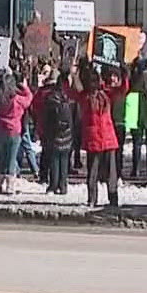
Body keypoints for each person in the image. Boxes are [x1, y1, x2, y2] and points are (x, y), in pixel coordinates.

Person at [75, 60, 121, 208]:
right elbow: (122, 89)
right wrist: (124, 74)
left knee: (93, 172)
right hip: (108, 138)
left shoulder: (85, 98)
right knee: (110, 173)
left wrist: (70, 74)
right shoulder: (105, 96)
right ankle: (112, 198)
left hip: (94, 139)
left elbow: (71, 91)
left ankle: (92, 198)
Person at [0, 68, 35, 195]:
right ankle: (10, 187)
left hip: (0, 130)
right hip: (14, 131)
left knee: (2, 158)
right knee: (11, 159)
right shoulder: (16, 99)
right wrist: (24, 86)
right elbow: (29, 98)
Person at [39, 73, 78, 195]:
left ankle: (53, 185)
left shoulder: (51, 98)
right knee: (65, 160)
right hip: (68, 134)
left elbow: (46, 117)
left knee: (55, 160)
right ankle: (63, 185)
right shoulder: (71, 98)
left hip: (54, 134)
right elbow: (76, 117)